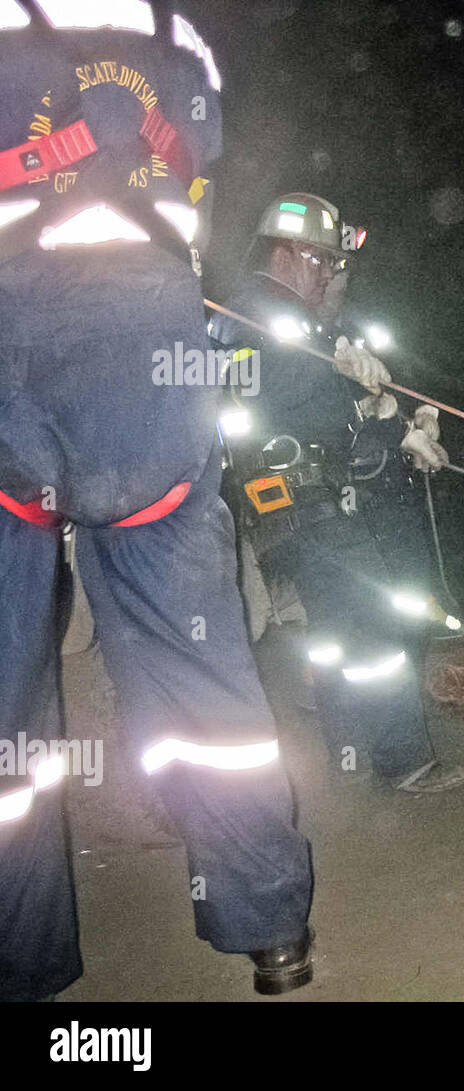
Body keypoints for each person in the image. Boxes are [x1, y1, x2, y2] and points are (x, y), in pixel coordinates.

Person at [0, 0, 313, 997]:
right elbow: (193, 188)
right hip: (154, 340)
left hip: (13, 336)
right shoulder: (184, 41)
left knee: (3, 684)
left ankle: (23, 955)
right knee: (199, 661)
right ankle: (269, 926)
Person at [210, 193, 464, 795]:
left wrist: (386, 421)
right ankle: (403, 761)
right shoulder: (257, 312)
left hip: (303, 497)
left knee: (332, 628)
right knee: (377, 623)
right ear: (286, 251)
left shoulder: (280, 315)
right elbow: (279, 398)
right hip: (298, 497)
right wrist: (357, 394)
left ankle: (347, 745)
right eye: (320, 260)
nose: (328, 273)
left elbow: (319, 407)